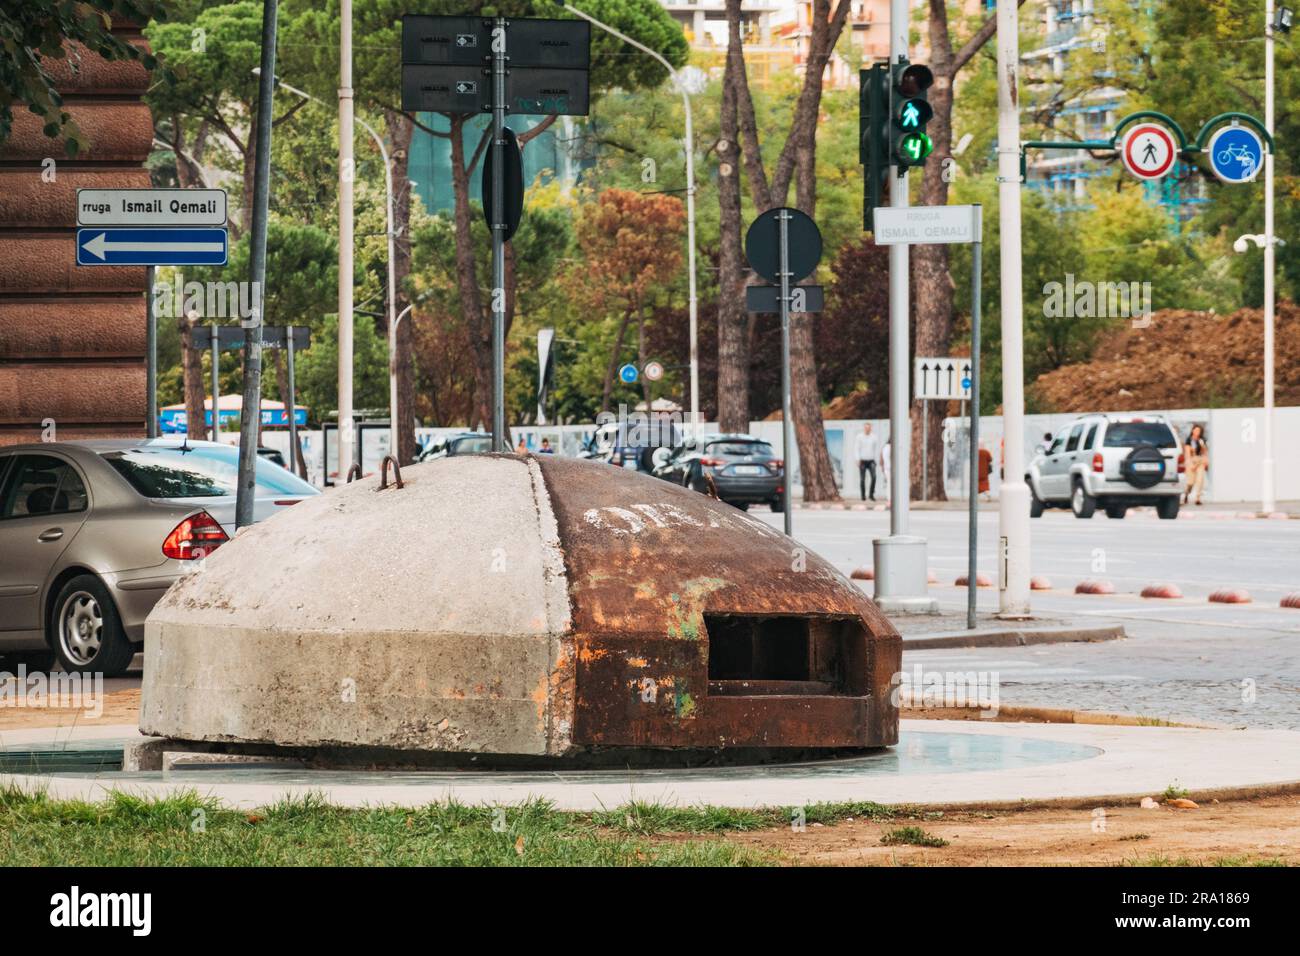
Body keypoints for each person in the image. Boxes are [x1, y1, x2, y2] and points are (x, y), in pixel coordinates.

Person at [1183, 424, 1208, 505]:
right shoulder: (1189, 440)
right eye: (1196, 430)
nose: (1197, 432)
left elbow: (1205, 452)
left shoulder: (1202, 440)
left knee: (1200, 480)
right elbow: (1187, 453)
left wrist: (1203, 446)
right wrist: (1190, 464)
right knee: (1190, 482)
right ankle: (1186, 494)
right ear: (1192, 430)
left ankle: (1197, 498)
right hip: (1191, 460)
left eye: (1199, 431)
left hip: (1200, 461)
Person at [854, 423, 880, 501]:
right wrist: (857, 459)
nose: (867, 429)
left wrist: (876, 460)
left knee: (874, 477)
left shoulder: (874, 437)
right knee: (862, 479)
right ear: (864, 428)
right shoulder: (859, 437)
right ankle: (863, 495)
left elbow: (877, 449)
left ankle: (871, 495)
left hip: (871, 460)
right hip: (862, 461)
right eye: (866, 428)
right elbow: (856, 448)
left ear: (871, 428)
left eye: (869, 428)